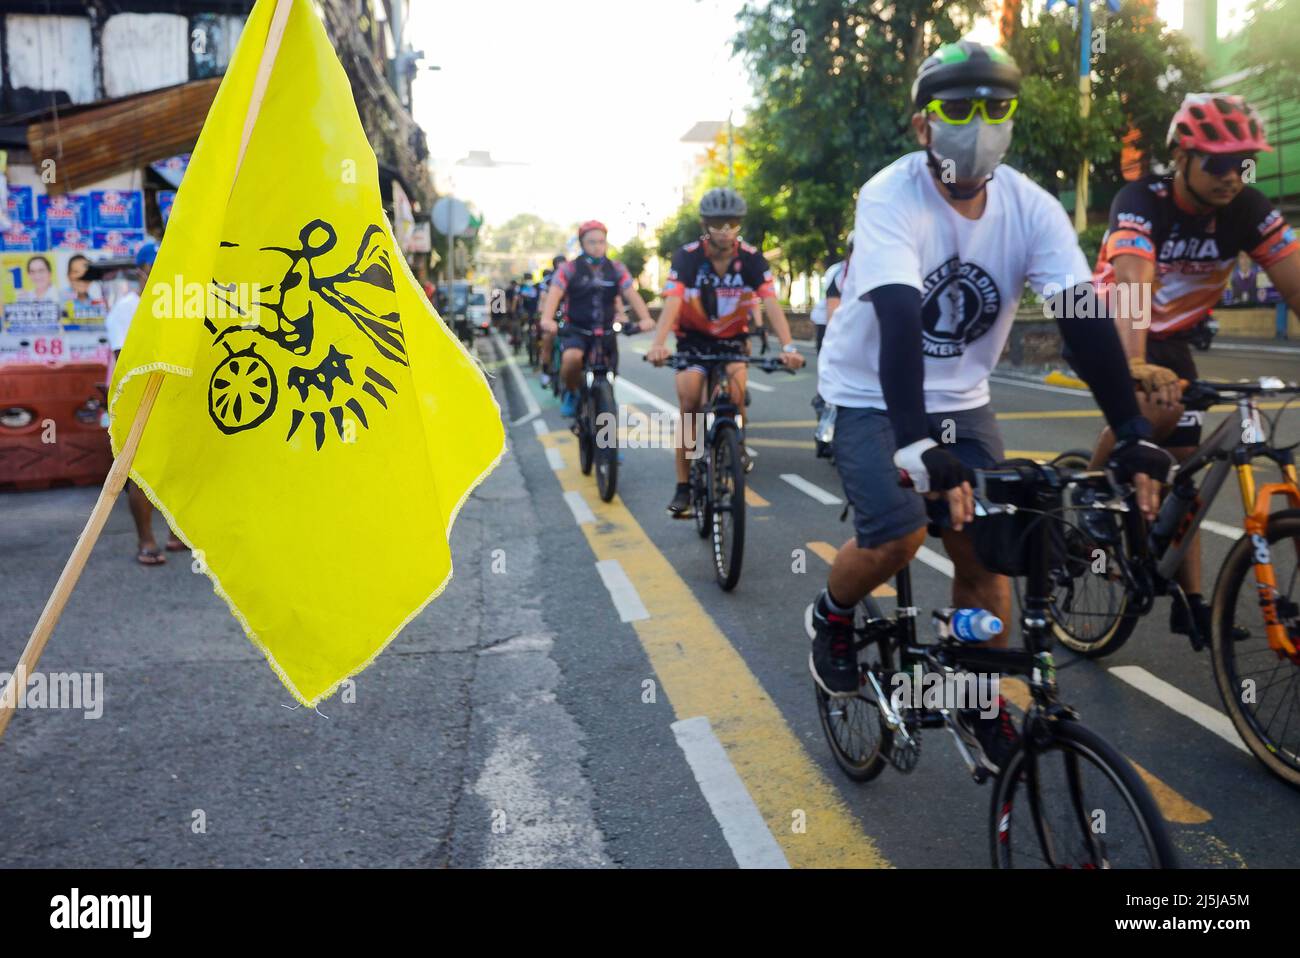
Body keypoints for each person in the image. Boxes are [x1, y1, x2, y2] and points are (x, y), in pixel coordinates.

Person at [805, 40, 1172, 774]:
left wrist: (1131, 432)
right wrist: (914, 444)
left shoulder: (1030, 207)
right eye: (957, 107)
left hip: (963, 400)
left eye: (996, 106)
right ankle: (833, 615)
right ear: (921, 126)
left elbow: (1082, 316)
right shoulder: (888, 194)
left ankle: (978, 698)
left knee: (990, 549)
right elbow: (902, 318)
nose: (979, 121)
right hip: (869, 395)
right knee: (899, 538)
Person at [1084, 92, 1300, 643]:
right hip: (1111, 322)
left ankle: (1192, 602)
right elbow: (1131, 281)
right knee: (1152, 411)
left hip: (1173, 336)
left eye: (1242, 164)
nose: (1233, 176)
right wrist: (1132, 363)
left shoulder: (1248, 209)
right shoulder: (1141, 199)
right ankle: (1090, 494)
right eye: (1218, 163)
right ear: (1181, 156)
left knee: (1185, 465)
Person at [646, 187, 805, 515]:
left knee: (736, 391)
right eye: (718, 224)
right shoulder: (687, 256)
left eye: (731, 223)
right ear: (705, 224)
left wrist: (788, 346)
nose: (725, 230)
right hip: (692, 339)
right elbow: (673, 302)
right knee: (689, 400)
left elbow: (771, 303)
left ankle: (737, 445)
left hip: (733, 339)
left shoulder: (750, 258)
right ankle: (684, 486)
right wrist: (658, 344)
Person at [104, 240, 185, 565]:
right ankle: (146, 541)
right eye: (155, 267)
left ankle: (177, 534)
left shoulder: (174, 302)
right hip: (140, 400)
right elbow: (125, 360)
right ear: (141, 270)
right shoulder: (126, 308)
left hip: (173, 399)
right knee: (139, 474)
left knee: (175, 470)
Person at [537, 221, 655, 416]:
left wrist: (645, 318)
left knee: (610, 373)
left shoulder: (616, 268)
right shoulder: (569, 269)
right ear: (582, 243)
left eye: (601, 241)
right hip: (576, 330)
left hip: (606, 331)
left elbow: (631, 293)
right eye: (591, 242)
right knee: (571, 359)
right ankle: (572, 393)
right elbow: (554, 295)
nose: (597, 246)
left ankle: (603, 404)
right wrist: (547, 319)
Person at [536, 254, 567, 388]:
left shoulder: (572, 278)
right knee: (547, 341)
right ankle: (545, 373)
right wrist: (544, 315)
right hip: (552, 317)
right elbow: (543, 299)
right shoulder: (548, 281)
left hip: (569, 318)